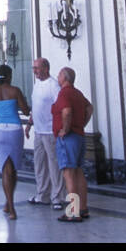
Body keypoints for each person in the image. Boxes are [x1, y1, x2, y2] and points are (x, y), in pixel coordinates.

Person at [0, 64, 31, 220]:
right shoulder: (15, 90)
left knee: (6, 169)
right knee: (14, 169)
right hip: (14, 131)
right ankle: (12, 208)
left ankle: (8, 203)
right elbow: (25, 111)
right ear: (9, 76)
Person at [52, 66, 93, 223]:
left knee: (68, 173)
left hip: (68, 138)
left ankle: (73, 212)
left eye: (59, 74)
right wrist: (81, 124)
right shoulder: (77, 93)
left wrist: (65, 129)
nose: (57, 77)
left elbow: (67, 111)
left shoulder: (64, 92)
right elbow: (90, 108)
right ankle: (83, 208)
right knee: (78, 172)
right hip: (79, 136)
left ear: (65, 78)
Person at [25, 57, 67, 210]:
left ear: (46, 68)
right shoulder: (37, 84)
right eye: (34, 68)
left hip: (50, 131)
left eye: (37, 68)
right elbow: (35, 108)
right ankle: (42, 195)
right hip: (38, 131)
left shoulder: (53, 85)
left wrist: (61, 128)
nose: (34, 71)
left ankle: (57, 197)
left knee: (54, 165)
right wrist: (29, 124)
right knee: (40, 164)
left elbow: (61, 108)